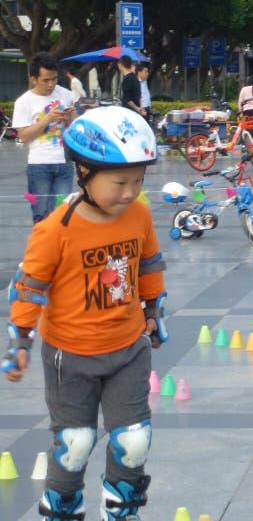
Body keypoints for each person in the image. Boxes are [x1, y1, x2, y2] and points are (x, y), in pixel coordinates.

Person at [3, 106, 167, 520]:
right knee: (75, 443)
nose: (130, 192)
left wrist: (153, 308)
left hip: (129, 348)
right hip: (69, 356)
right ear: (83, 173)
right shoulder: (56, 229)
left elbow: (148, 262)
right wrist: (20, 339)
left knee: (134, 440)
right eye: (119, 182)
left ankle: (122, 510)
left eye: (138, 181)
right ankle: (62, 507)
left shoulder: (139, 215)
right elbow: (30, 286)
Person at [12, 52, 77, 223]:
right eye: (45, 80)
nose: (51, 84)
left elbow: (76, 126)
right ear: (34, 79)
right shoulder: (24, 102)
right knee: (41, 214)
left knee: (63, 214)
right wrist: (47, 119)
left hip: (65, 162)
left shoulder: (65, 94)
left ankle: (59, 249)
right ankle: (42, 249)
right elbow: (24, 136)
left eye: (54, 79)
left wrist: (69, 118)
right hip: (39, 165)